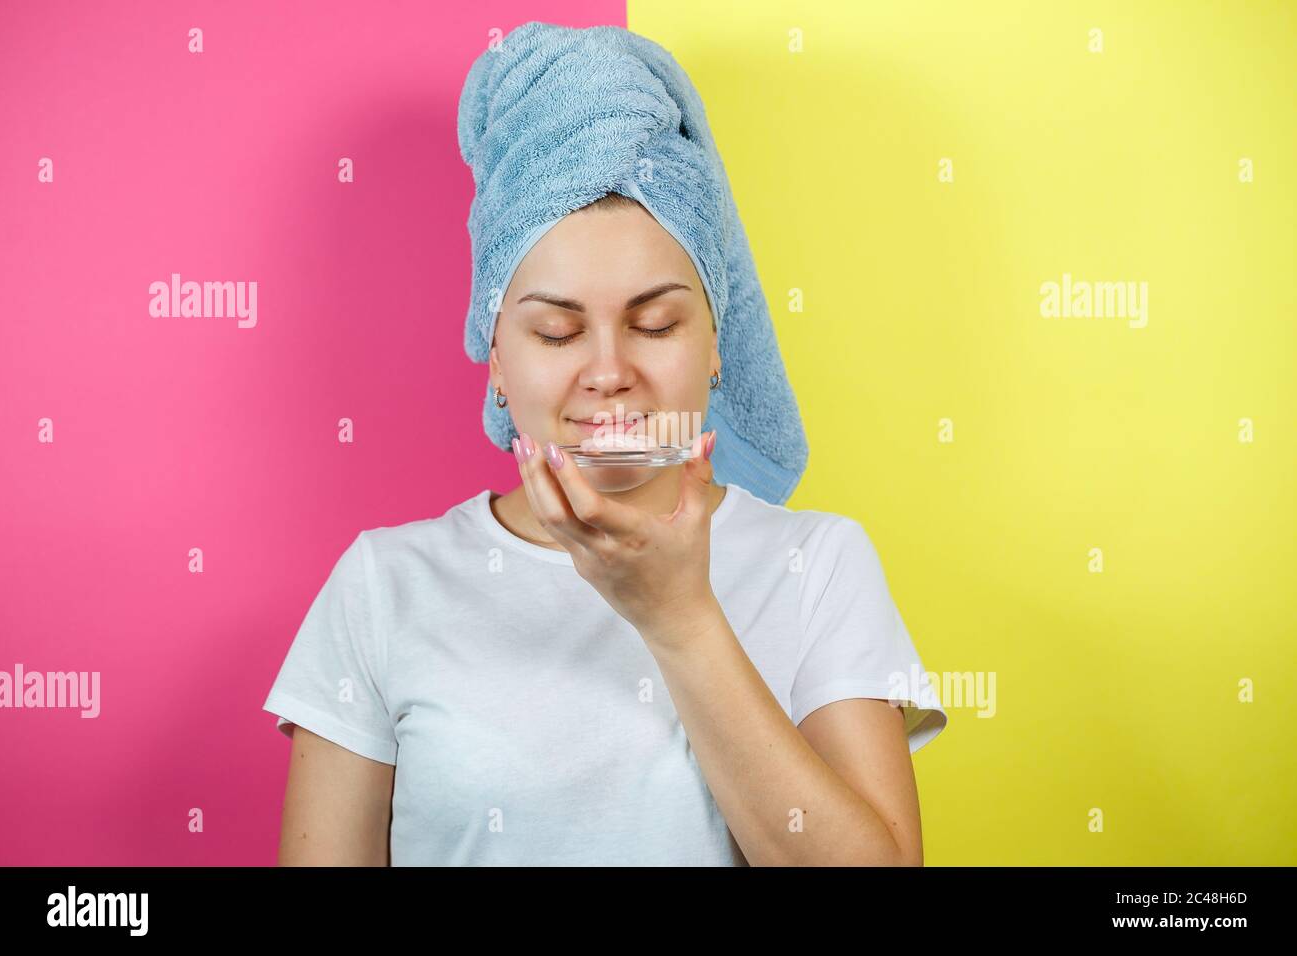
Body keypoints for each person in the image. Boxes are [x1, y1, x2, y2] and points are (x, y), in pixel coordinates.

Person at [263, 24, 947, 867]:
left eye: (655, 323)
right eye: (556, 333)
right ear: (498, 360)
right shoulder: (384, 586)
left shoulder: (820, 567)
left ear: (717, 343)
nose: (609, 371)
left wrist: (681, 620)